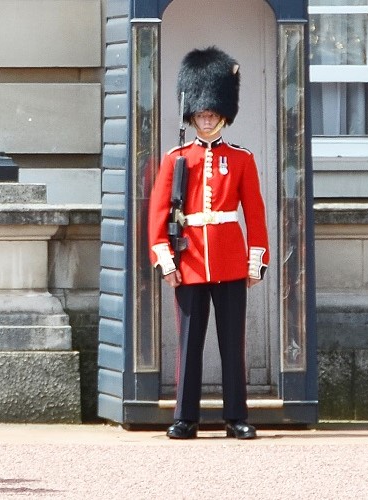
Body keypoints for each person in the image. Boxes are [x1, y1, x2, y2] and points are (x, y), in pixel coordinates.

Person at [149, 47, 267, 441]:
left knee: (232, 344)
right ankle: (186, 417)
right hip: (191, 261)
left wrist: (255, 262)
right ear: (193, 114)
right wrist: (166, 259)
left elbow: (255, 213)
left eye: (212, 112)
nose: (207, 117)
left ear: (223, 114)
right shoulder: (177, 158)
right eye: (201, 112)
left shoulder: (241, 159)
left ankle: (236, 416)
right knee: (190, 344)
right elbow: (159, 213)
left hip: (231, 262)